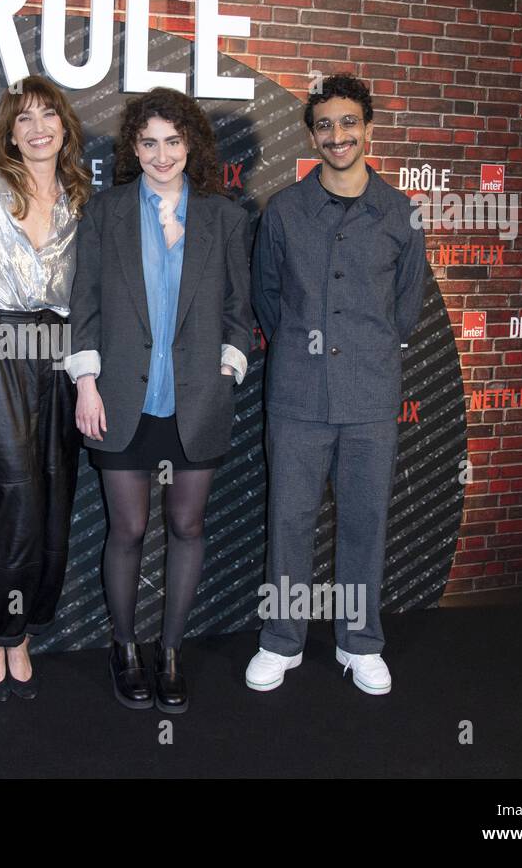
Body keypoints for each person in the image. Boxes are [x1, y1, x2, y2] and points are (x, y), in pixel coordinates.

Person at [67, 87, 254, 714]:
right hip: (119, 396)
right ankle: (124, 648)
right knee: (128, 528)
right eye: (149, 141)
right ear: (134, 148)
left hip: (196, 397)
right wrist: (86, 381)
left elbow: (239, 308)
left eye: (173, 141)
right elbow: (84, 303)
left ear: (191, 146)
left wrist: (229, 364)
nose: (162, 153)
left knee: (187, 525)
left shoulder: (224, 216)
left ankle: (170, 651)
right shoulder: (106, 211)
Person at [245, 72, 428, 696]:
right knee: (288, 520)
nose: (338, 135)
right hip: (297, 395)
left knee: (364, 520)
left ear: (369, 129)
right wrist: (304, 347)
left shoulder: (402, 213)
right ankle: (281, 640)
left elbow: (406, 307)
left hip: (371, 397)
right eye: (325, 125)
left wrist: (364, 353)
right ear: (311, 136)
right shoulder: (284, 212)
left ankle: (359, 642)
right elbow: (268, 300)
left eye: (349, 122)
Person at [0, 76, 92, 701]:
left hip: (60, 355)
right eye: (24, 119)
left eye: (49, 116)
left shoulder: (81, 197)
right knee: (6, 496)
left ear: (64, 126)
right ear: (9, 131)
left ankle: (28, 628)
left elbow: (87, 299)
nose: (38, 128)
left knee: (53, 499)